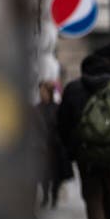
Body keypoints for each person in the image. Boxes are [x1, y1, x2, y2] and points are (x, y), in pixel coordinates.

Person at [57, 53, 110, 219]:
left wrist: (71, 149)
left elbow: (63, 123)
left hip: (86, 152)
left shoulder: (74, 89)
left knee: (92, 196)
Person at [34, 80, 73, 208]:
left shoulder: (57, 107)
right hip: (41, 146)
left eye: (44, 92)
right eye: (41, 92)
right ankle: (46, 196)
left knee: (56, 174)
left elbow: (63, 126)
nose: (42, 95)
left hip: (55, 146)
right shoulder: (37, 109)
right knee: (44, 174)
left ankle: (54, 196)